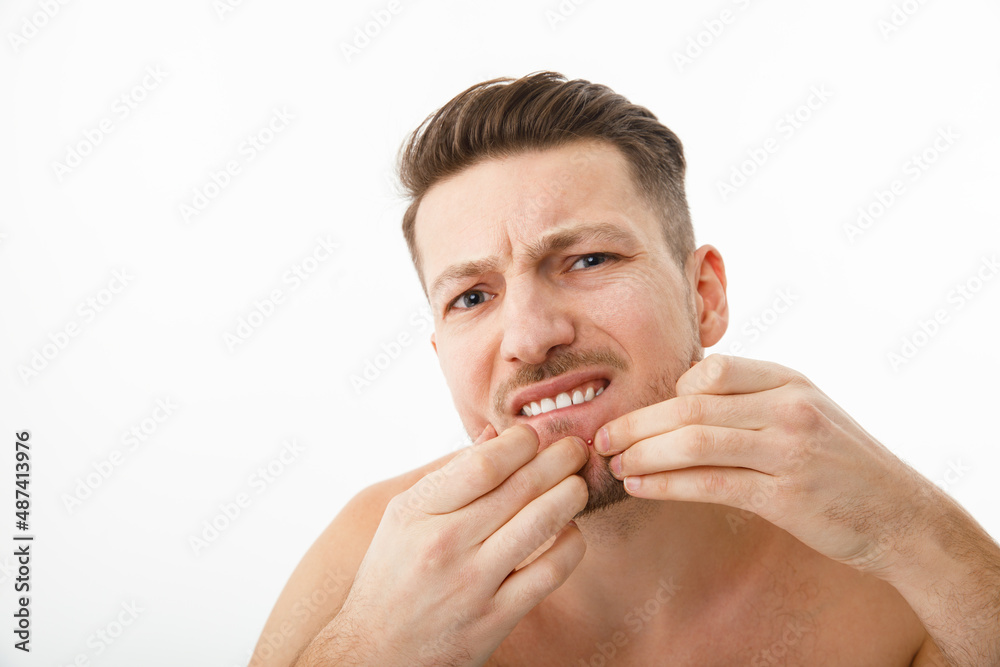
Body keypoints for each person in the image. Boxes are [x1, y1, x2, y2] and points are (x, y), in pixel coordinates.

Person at [251, 71, 999, 666]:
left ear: (702, 296)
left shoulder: (886, 573)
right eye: (472, 295)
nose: (530, 337)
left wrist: (913, 528)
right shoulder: (366, 563)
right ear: (441, 350)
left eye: (587, 259)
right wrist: (376, 652)